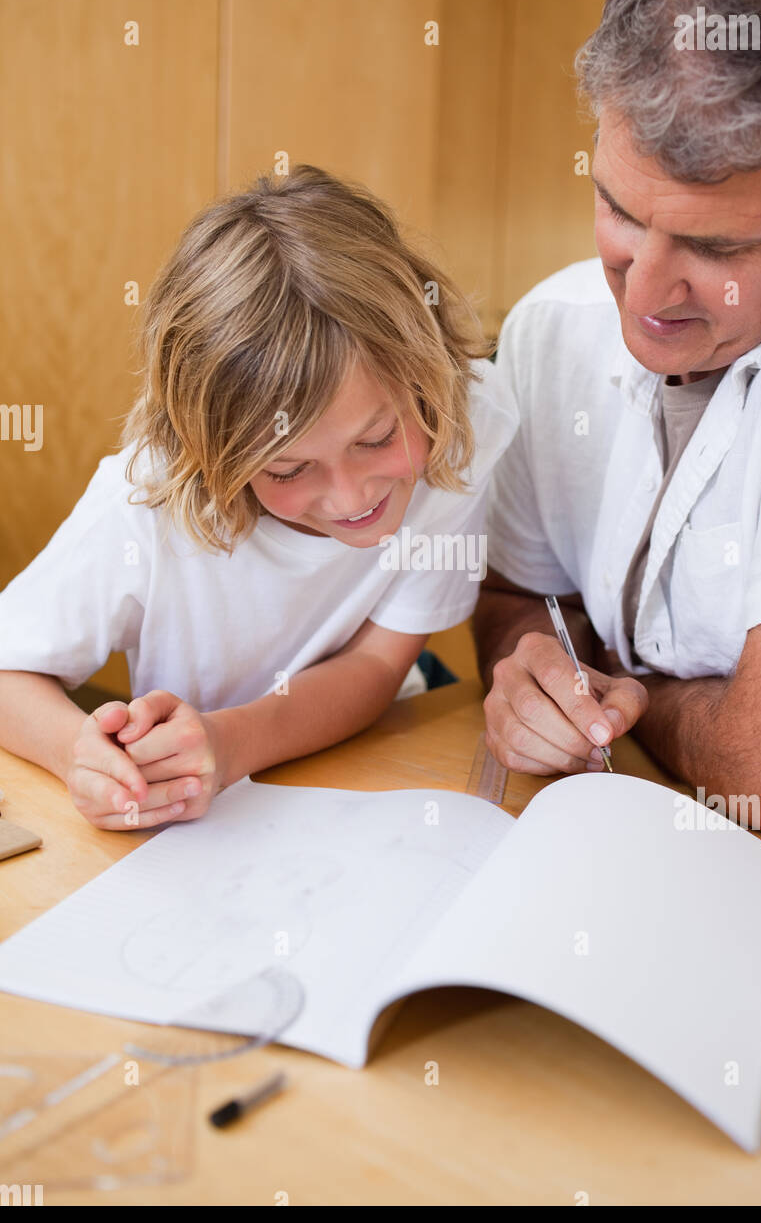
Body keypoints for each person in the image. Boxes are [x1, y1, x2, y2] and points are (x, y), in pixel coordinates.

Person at [474, 0, 761, 889]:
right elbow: (522, 594)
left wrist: (631, 696)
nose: (640, 296)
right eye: (617, 207)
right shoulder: (549, 329)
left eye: (716, 247)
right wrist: (532, 669)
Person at [0, 165, 517, 831]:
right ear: (211, 456)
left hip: (370, 746)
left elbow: (380, 660)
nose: (350, 495)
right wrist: (81, 755)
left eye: (377, 437)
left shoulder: (462, 421)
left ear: (427, 375)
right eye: (289, 468)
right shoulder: (149, 502)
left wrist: (230, 741)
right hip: (213, 825)